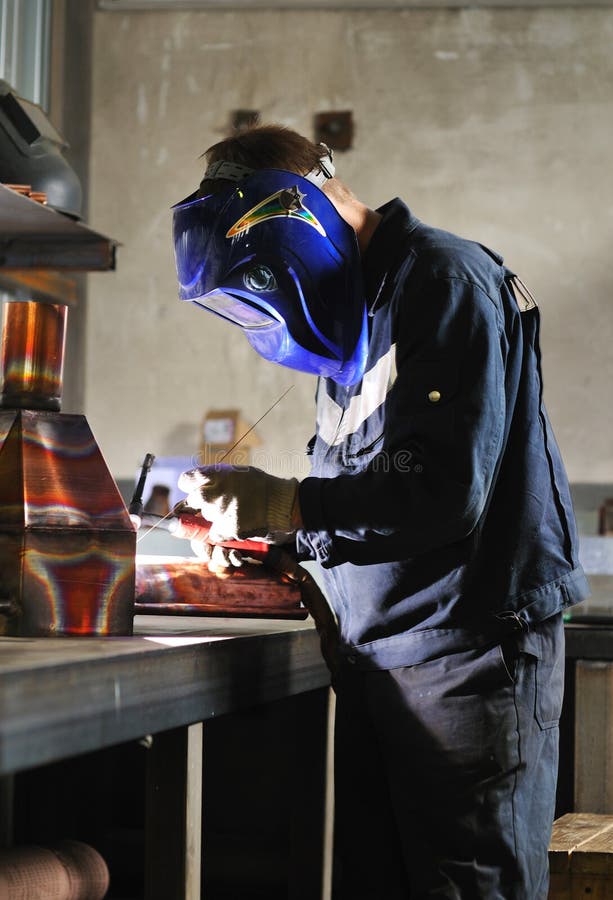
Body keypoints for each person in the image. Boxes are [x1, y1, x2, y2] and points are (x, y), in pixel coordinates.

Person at [171, 125, 589, 899]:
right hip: (382, 657)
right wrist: (276, 543)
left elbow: (444, 492)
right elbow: (363, 494)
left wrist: (283, 501)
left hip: (467, 657)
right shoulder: (351, 314)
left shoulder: (441, 279)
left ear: (302, 211)